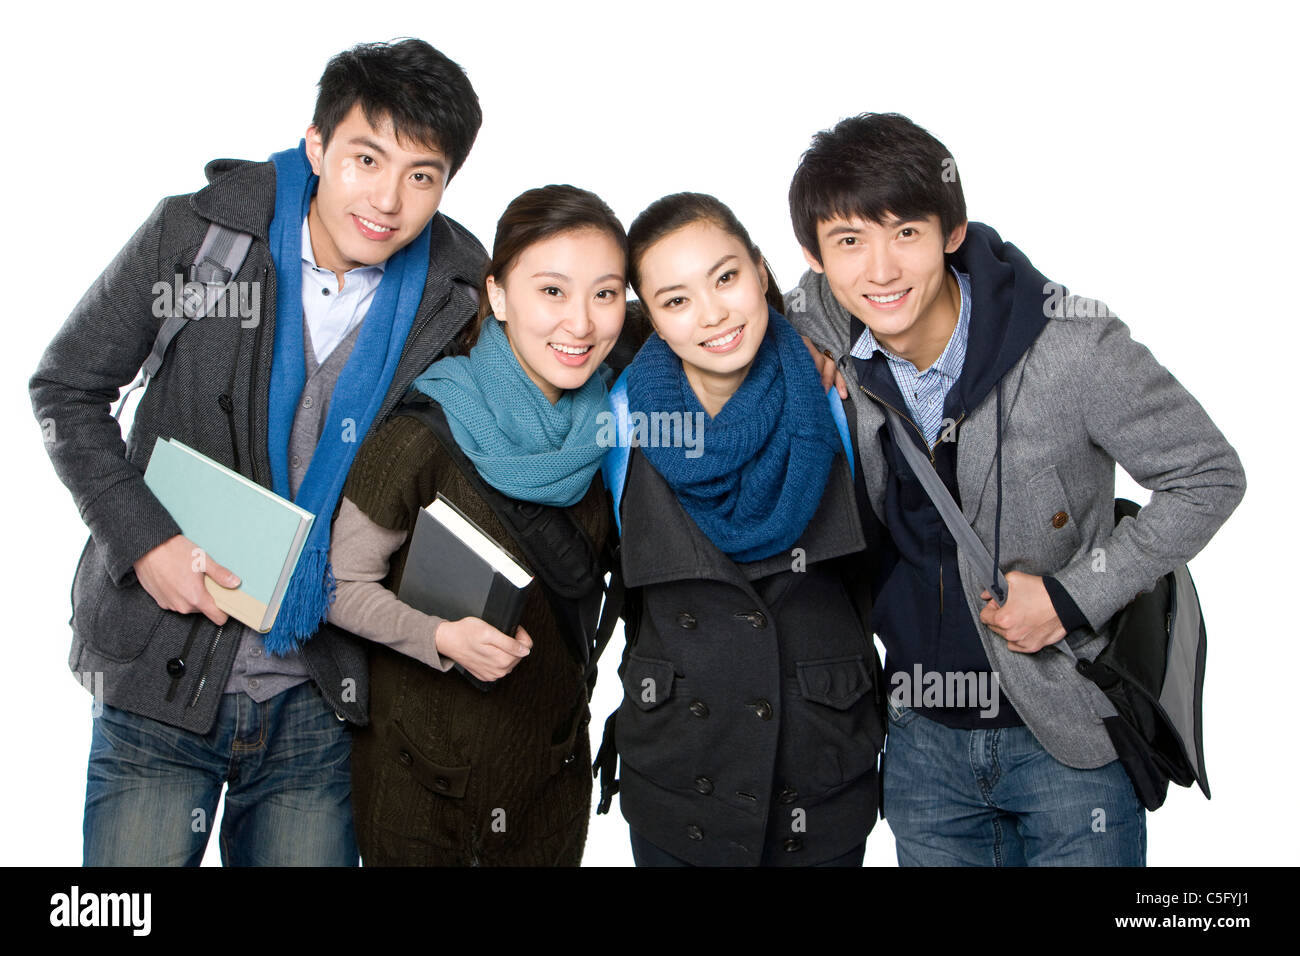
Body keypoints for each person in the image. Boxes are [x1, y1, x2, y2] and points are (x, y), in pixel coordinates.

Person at [28, 39, 486, 866]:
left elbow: (565, 344)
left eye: (422, 175)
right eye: (365, 158)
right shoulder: (201, 236)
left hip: (323, 691)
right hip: (158, 667)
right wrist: (147, 542)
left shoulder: (459, 295)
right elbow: (65, 387)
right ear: (317, 146)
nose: (388, 199)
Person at [785, 112, 1246, 866]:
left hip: (1065, 741)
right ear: (816, 257)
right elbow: (715, 316)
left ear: (952, 230)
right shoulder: (822, 332)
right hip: (920, 745)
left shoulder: (1073, 345)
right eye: (849, 242)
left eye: (906, 232)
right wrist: (796, 334)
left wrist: (1070, 598)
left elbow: (1210, 475)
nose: (881, 270)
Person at [325, 184, 627, 866]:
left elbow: (716, 323)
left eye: (604, 294)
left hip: (549, 783)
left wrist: (812, 345)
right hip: (420, 785)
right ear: (496, 295)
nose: (580, 323)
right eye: (551, 291)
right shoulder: (424, 430)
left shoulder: (618, 424)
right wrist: (438, 636)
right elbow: (336, 583)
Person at [600, 193, 883, 867]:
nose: (713, 313)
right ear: (651, 319)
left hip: (819, 774)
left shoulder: (840, 392)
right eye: (675, 301)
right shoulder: (618, 418)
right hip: (679, 777)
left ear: (761, 271)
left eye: (726, 278)